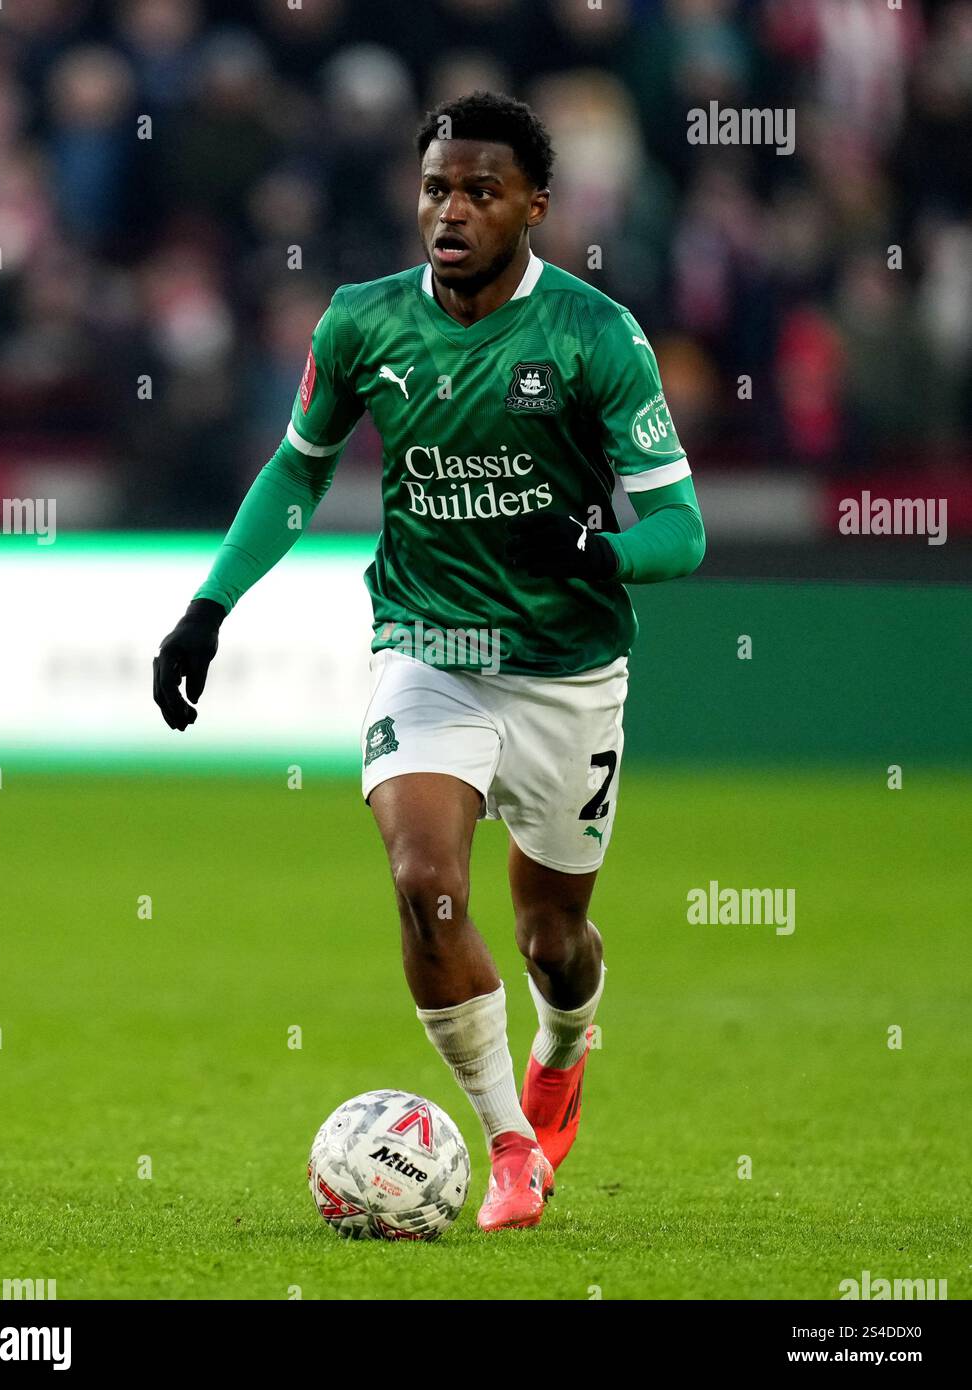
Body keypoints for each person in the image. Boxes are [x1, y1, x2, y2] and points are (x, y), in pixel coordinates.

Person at [153, 90, 705, 1232]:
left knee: (554, 939)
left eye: (479, 192)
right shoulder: (360, 323)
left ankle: (562, 1046)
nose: (449, 211)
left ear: (534, 207)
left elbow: (682, 531)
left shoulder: (594, 337)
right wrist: (207, 608)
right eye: (435, 189)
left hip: (565, 670)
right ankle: (508, 1142)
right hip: (426, 648)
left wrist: (597, 550)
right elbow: (297, 471)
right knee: (424, 884)